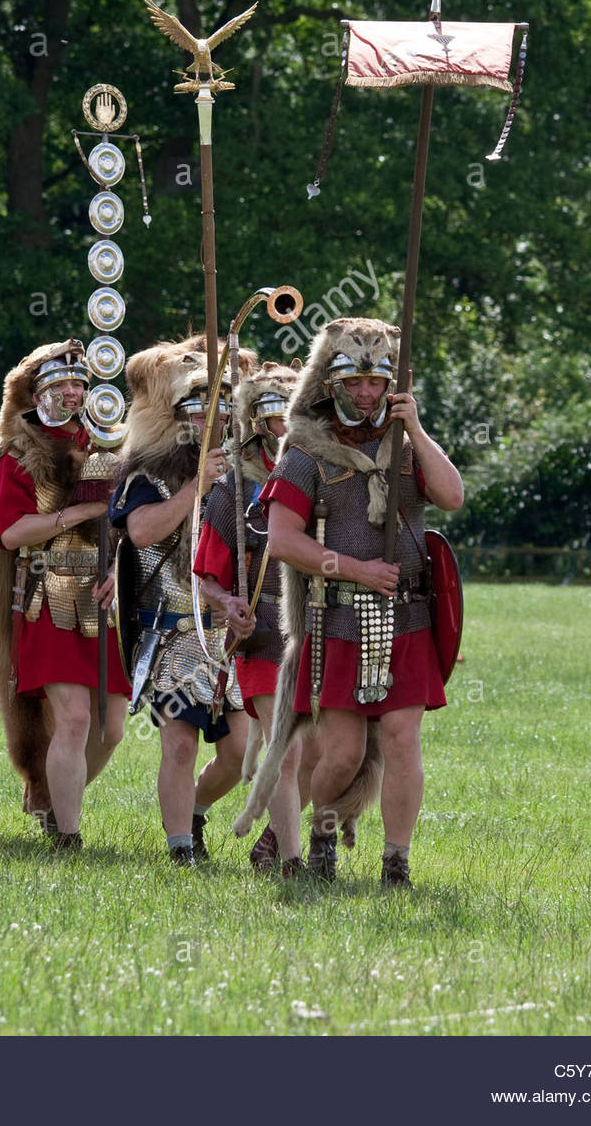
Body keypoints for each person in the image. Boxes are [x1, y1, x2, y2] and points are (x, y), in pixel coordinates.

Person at [254, 318, 463, 889]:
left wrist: (416, 429)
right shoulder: (306, 452)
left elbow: (451, 496)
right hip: (340, 616)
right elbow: (283, 540)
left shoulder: (406, 444)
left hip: (407, 617)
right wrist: (358, 569)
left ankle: (396, 862)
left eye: (377, 382)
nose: (367, 393)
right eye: (356, 383)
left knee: (401, 739)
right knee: (342, 754)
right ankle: (322, 835)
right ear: (334, 385)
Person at [0, 339, 129, 851]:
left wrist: (119, 568)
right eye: (60, 385)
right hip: (47, 597)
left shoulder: (105, 443)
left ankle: (52, 796)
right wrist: (77, 514)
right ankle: (67, 834)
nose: (71, 393)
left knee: (110, 729)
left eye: (78, 384)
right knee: (75, 717)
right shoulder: (15, 454)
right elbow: (10, 533)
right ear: (36, 392)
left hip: (104, 601)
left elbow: (129, 522)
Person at [110, 338, 253, 866]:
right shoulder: (145, 477)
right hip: (170, 633)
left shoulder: (247, 477)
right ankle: (179, 851)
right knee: (180, 744)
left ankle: (193, 811)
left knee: (240, 752)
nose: (209, 425)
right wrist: (196, 486)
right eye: (199, 413)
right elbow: (143, 533)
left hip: (228, 634)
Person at [195, 359, 308, 877]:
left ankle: (277, 841)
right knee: (283, 753)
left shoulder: (327, 474)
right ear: (261, 421)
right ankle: (292, 862)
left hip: (328, 628)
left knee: (331, 752)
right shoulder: (232, 494)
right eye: (281, 415)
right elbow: (204, 577)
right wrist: (226, 603)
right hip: (263, 636)